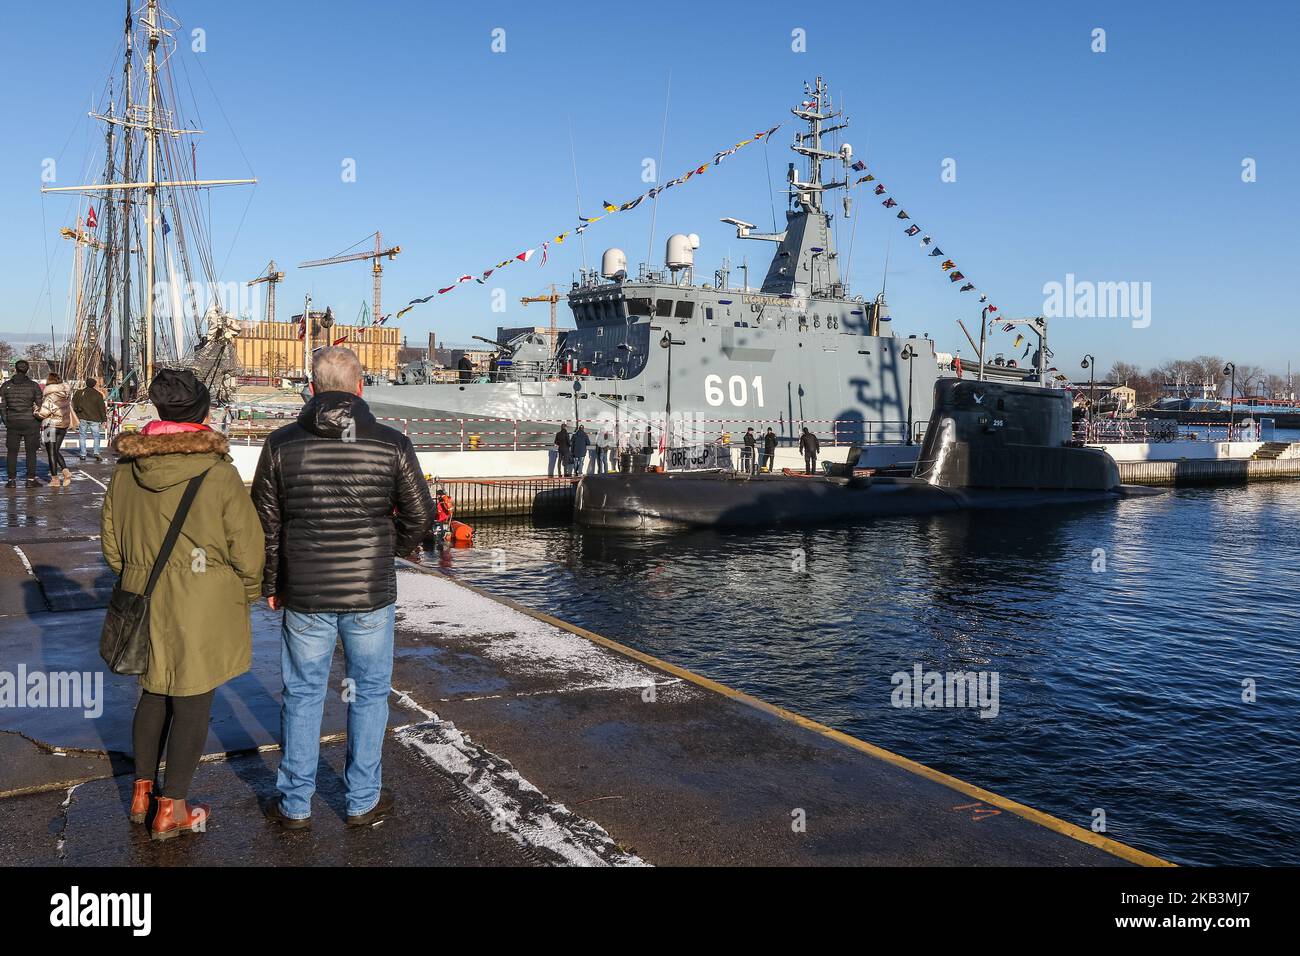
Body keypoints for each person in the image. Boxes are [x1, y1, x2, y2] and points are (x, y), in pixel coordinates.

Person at [252, 346, 433, 830]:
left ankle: (294, 804)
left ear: (311, 387)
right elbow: (421, 517)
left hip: (305, 591)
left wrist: (272, 582)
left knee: (303, 694)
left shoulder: (280, 444)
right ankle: (361, 801)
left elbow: (265, 524)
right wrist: (381, 548)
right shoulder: (392, 442)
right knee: (370, 694)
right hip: (369, 592)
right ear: (360, 386)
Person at [102, 368, 264, 841]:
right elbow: (248, 550)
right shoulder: (218, 473)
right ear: (205, 416)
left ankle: (141, 792)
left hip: (144, 595)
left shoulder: (126, 471)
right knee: (193, 701)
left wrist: (135, 574)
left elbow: (112, 546)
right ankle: (171, 809)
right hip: (202, 603)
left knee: (153, 692)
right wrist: (244, 592)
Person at [1, 359, 43, 488]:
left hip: (13, 421)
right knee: (31, 452)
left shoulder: (6, 385)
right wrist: (39, 420)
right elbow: (40, 405)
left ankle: (11, 480)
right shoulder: (33, 385)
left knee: (12, 452)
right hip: (30, 421)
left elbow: (2, 406)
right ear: (27, 370)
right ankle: (30, 480)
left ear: (15, 369)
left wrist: (6, 421)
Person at [36, 372, 74, 488]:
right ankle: (65, 472)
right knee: (56, 451)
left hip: (50, 426)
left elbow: (43, 413)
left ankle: (55, 479)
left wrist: (35, 410)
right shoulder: (66, 395)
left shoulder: (50, 396)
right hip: (63, 426)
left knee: (51, 452)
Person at [73, 377, 108, 462]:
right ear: (94, 384)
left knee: (82, 436)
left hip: (82, 417)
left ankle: (83, 454)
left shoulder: (79, 392)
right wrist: (104, 419)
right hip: (95, 419)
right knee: (96, 436)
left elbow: (74, 402)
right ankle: (96, 452)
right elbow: (101, 408)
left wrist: (77, 412)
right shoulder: (98, 394)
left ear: (86, 383)